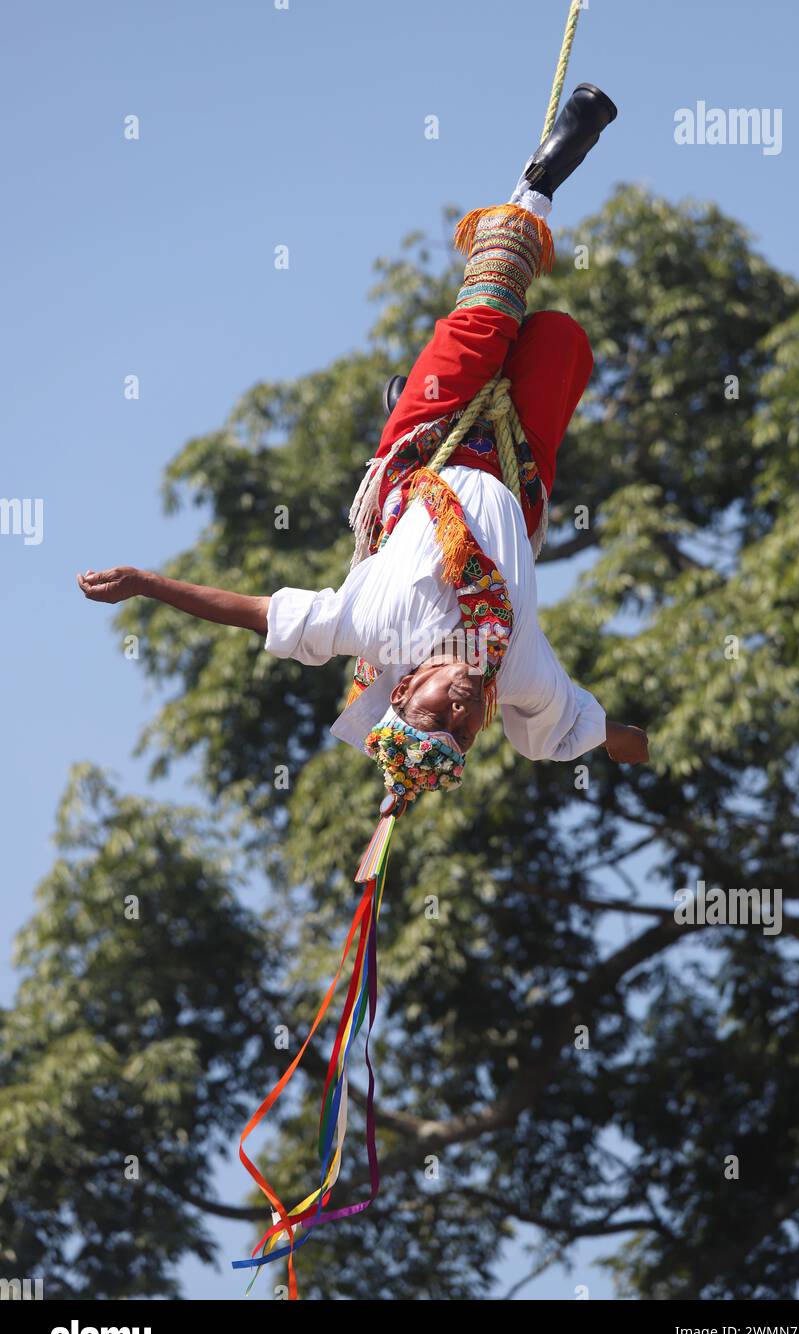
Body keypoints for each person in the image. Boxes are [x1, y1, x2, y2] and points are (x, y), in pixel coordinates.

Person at [79, 83, 649, 815]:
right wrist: (638, 743)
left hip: (427, 446)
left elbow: (256, 612)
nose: (462, 708)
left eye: (436, 709)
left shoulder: (373, 629)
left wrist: (147, 584)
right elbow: (592, 730)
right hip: (518, 469)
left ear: (405, 687)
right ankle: (457, 354)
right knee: (561, 340)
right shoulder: (522, 676)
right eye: (465, 729)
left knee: (490, 314)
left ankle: (538, 183)